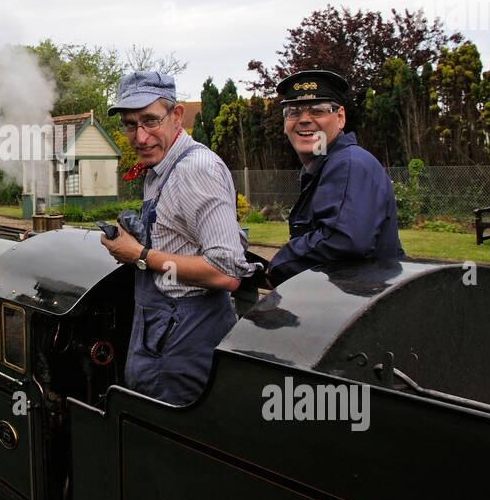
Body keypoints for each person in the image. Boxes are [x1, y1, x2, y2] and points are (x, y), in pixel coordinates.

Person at [100, 71, 256, 406]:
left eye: (150, 120)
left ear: (177, 116)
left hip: (185, 336)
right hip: (162, 331)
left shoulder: (195, 170)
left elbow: (226, 273)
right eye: (130, 124)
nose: (140, 137)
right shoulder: (161, 168)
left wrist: (140, 255)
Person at [268, 69, 404, 286]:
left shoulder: (348, 165)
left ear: (340, 117)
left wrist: (279, 266)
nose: (304, 120)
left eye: (317, 111)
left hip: (362, 305)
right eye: (293, 112)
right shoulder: (322, 167)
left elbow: (345, 240)